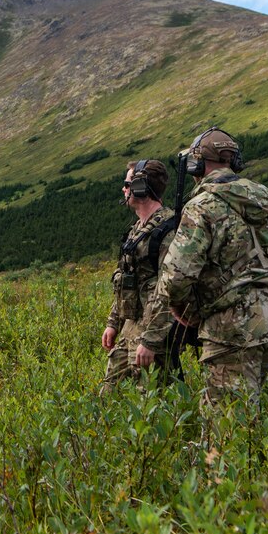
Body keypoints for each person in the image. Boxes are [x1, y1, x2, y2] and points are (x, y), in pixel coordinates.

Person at [136, 127, 268, 406]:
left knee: (226, 421)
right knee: (249, 410)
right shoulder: (262, 200)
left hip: (231, 329)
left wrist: (182, 310)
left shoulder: (202, 206)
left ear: (196, 164)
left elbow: (175, 277)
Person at [101, 159, 177, 390]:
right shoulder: (137, 230)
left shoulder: (168, 230)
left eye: (127, 184)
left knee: (151, 396)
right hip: (131, 326)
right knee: (109, 393)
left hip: (154, 328)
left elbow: (172, 288)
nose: (123, 189)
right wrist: (114, 323)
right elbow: (126, 279)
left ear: (141, 187)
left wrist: (151, 340)